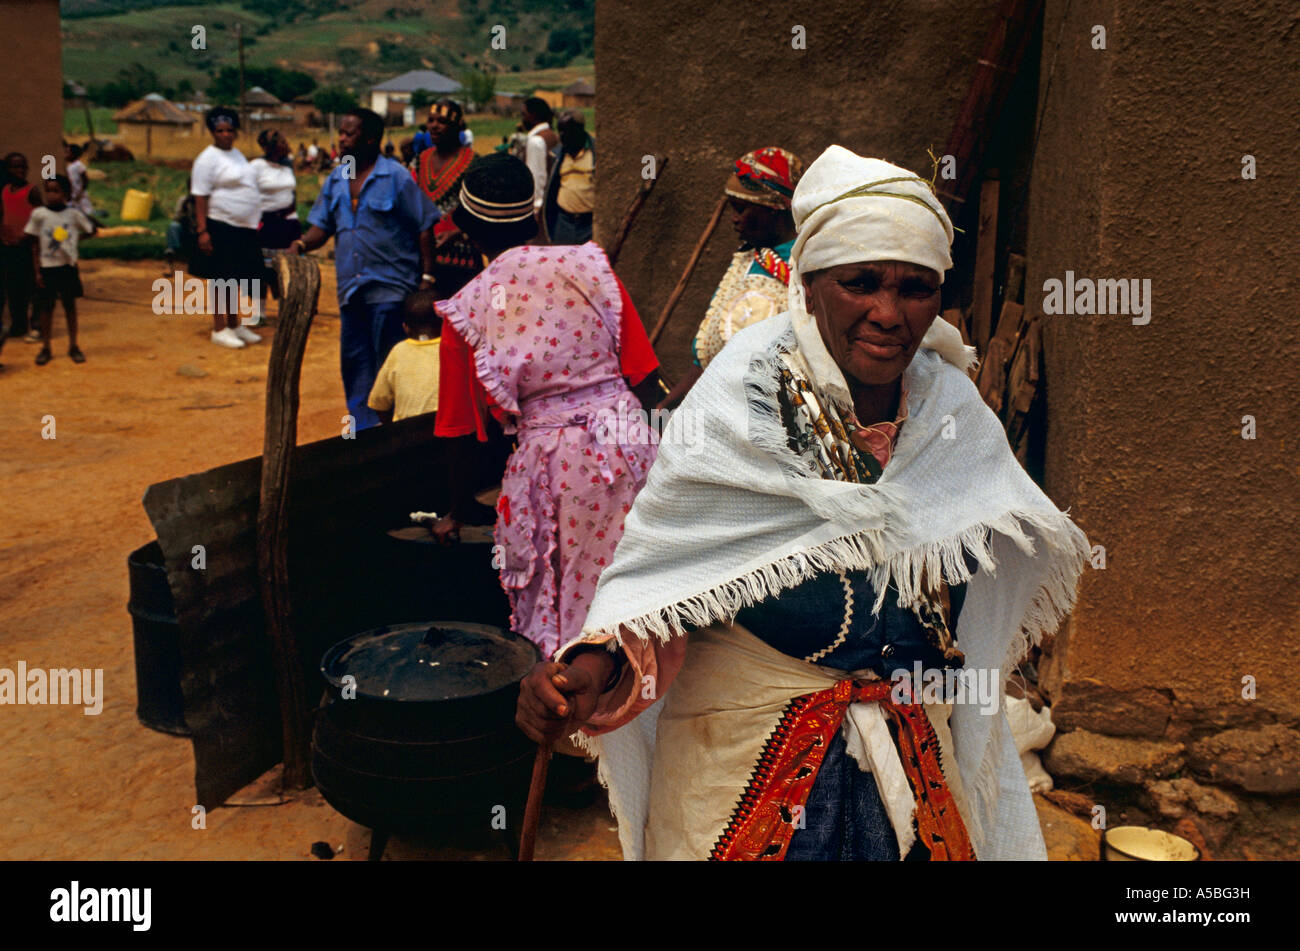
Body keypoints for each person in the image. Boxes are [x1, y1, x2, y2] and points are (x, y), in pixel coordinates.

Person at [516, 147, 1092, 862]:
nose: (889, 313)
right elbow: (667, 578)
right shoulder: (741, 400)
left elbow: (983, 578)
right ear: (811, 283)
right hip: (743, 756)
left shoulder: (952, 411)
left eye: (916, 289)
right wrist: (593, 665)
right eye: (862, 283)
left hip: (906, 764)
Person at [432, 153, 661, 660]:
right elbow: (643, 378)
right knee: (642, 595)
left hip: (556, 471)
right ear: (537, 216)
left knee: (571, 608)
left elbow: (458, 430)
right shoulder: (593, 267)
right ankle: (648, 707)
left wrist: (455, 510)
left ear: (466, 229)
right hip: (633, 447)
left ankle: (582, 723)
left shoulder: (467, 309)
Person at [291, 108, 439, 431]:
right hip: (351, 292)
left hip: (391, 288)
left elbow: (424, 225)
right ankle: (363, 434)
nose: (341, 139)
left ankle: (397, 433)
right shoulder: (338, 177)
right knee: (355, 365)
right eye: (341, 133)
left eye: (349, 134)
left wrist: (427, 278)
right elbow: (321, 226)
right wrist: (301, 245)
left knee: (388, 363)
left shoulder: (395, 176)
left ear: (370, 138)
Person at [658, 146, 803, 407]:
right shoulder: (749, 260)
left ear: (772, 207)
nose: (734, 220)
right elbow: (707, 360)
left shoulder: (805, 266)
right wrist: (667, 407)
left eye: (741, 209)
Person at [189, 106, 265, 349]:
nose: (225, 135)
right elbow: (200, 196)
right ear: (212, 131)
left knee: (237, 277)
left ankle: (235, 324)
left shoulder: (236, 155)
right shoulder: (207, 159)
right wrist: (203, 231)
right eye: (220, 130)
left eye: (230, 130)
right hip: (221, 224)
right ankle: (220, 328)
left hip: (242, 228)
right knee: (221, 278)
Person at [411, 99, 481, 297]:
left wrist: (457, 232)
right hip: (423, 264)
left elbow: (482, 215)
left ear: (457, 125)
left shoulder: (475, 164)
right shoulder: (419, 161)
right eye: (431, 120)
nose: (433, 125)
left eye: (441, 121)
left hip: (462, 262)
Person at [25, 174, 95, 365]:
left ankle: (73, 346)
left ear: (66, 193)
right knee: (46, 309)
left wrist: (72, 241)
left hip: (67, 267)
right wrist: (37, 270)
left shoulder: (73, 214)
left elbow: (90, 230)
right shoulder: (39, 214)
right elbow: (33, 243)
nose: (51, 195)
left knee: (69, 306)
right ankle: (46, 347)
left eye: (56, 191)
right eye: (48, 190)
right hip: (47, 268)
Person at [366, 289, 441, 425]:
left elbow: (379, 402)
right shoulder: (453, 350)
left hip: (406, 435)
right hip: (445, 433)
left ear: (405, 327)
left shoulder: (398, 351)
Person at [1, 152, 43, 342]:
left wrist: (26, 236)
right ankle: (19, 324)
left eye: (23, 166)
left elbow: (40, 219)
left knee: (30, 286)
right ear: (7, 169)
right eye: (15, 167)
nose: (20, 170)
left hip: (28, 246)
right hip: (9, 247)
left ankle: (36, 325)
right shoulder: (4, 191)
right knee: (13, 287)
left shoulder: (32, 191)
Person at [543, 110, 594, 245]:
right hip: (564, 223)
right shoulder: (558, 156)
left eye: (567, 131)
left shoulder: (596, 154)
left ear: (580, 130)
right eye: (560, 131)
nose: (562, 136)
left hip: (589, 225)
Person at [520, 97, 559, 224]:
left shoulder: (535, 141)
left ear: (533, 115)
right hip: (551, 203)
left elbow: (536, 177)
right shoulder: (552, 135)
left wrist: (535, 209)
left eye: (524, 115)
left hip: (539, 210)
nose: (522, 120)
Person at [64, 143, 94, 217]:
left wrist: (80, 192)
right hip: (73, 194)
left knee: (85, 212)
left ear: (73, 154)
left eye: (67, 153)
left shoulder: (79, 165)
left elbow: (85, 179)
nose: (65, 154)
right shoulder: (69, 166)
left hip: (80, 194)